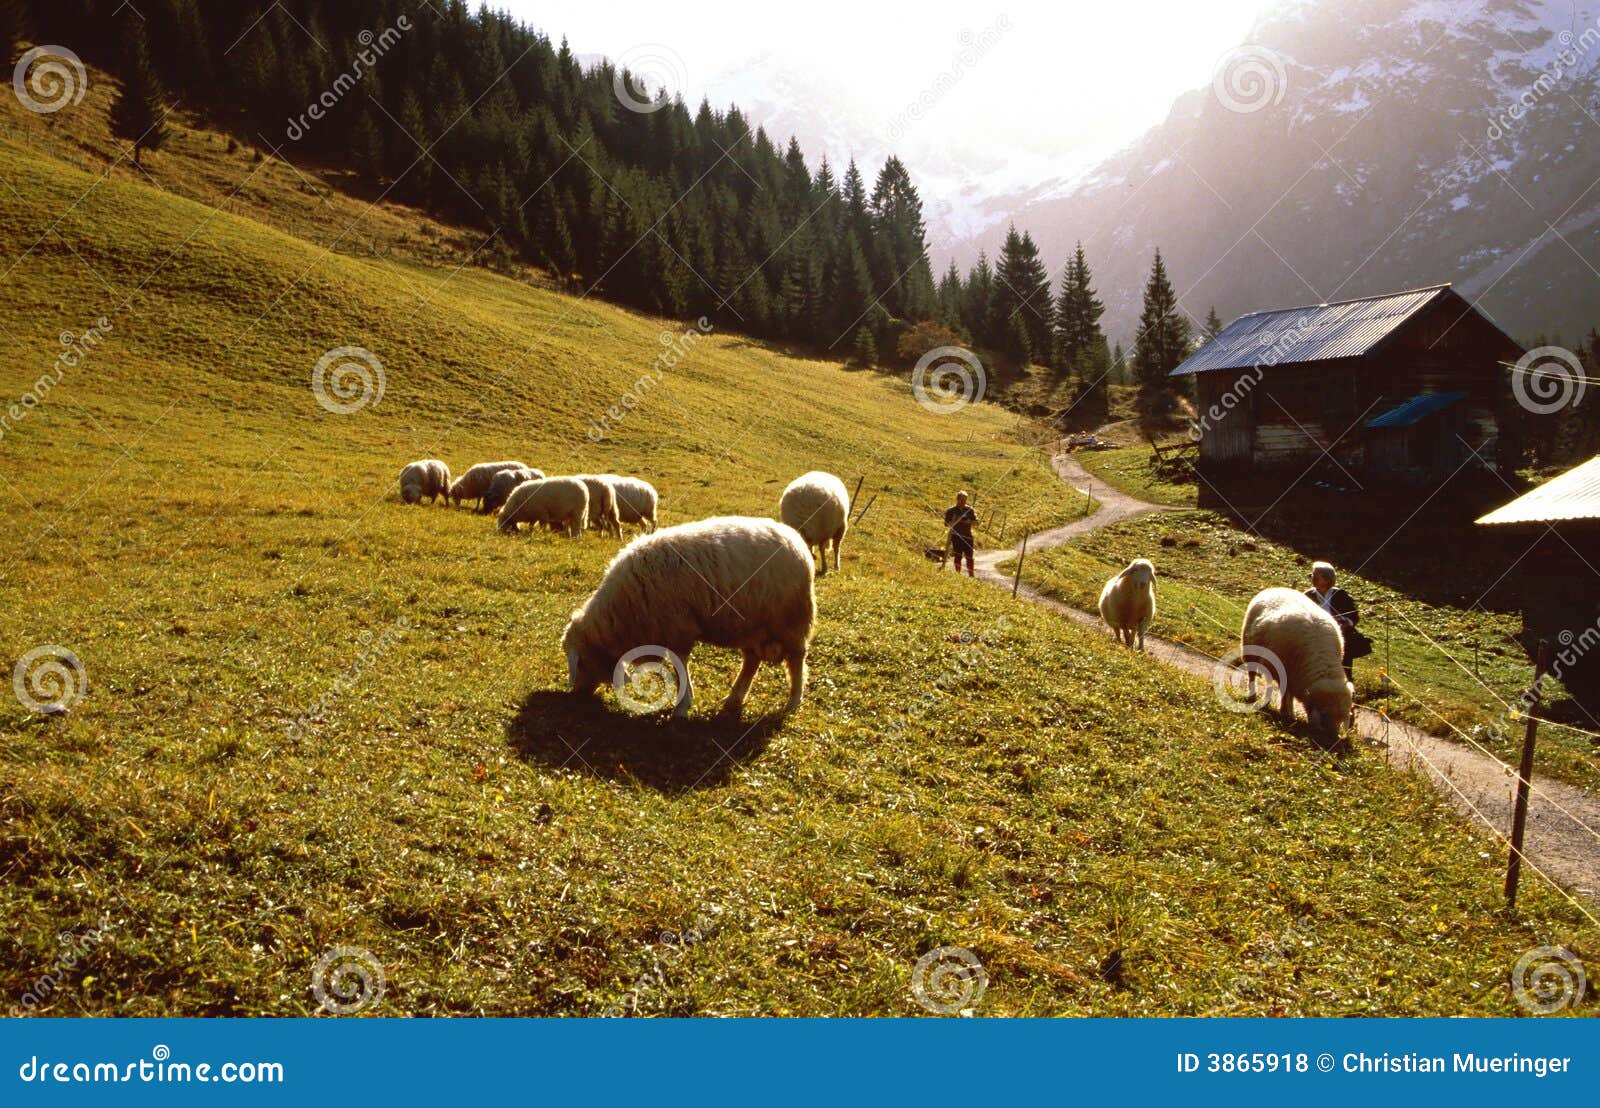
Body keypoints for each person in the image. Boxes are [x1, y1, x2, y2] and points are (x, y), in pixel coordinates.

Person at [1306, 561, 1360, 681]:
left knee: (1343, 661)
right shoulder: (1308, 595)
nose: (1312, 578)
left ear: (1326, 580)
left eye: (1315, 576)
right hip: (1315, 635)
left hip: (1338, 634)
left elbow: (1354, 615)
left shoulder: (1340, 594)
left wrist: (1345, 622)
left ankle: (1345, 684)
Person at [943, 491, 978, 577]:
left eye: (965, 500)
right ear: (957, 499)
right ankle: (958, 574)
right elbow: (946, 524)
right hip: (956, 536)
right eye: (962, 500)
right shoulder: (951, 510)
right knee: (958, 556)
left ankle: (971, 575)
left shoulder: (970, 510)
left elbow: (976, 522)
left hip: (968, 536)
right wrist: (956, 521)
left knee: (970, 556)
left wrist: (969, 522)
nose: (963, 502)